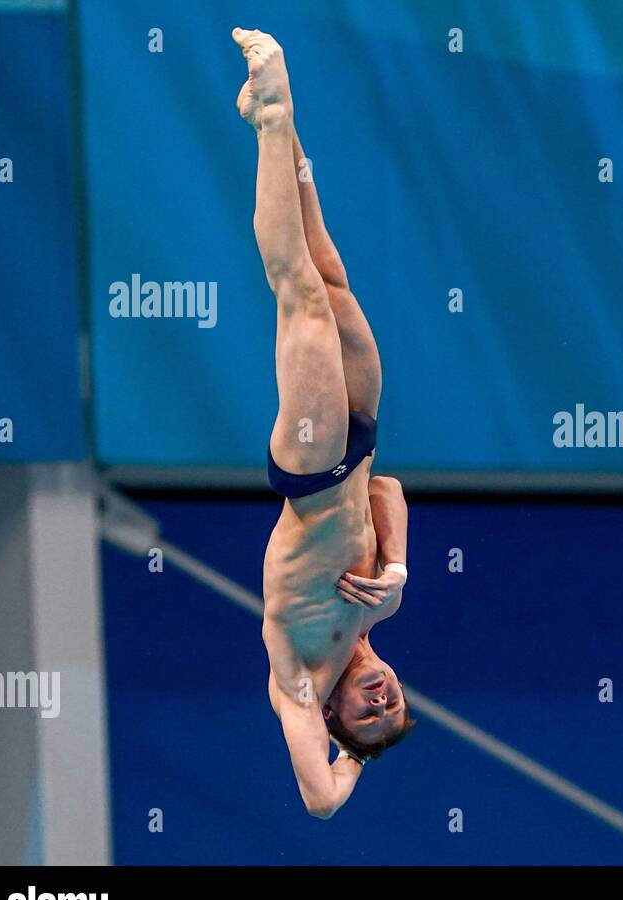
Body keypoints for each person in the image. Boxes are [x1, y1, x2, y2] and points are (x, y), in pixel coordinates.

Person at [234, 27, 414, 818]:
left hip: (310, 473)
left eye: (372, 716)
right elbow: (394, 490)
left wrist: (350, 762)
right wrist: (399, 564)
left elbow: (322, 803)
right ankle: (277, 126)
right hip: (363, 442)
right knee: (329, 272)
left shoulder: (300, 681)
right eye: (397, 702)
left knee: (296, 292)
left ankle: (275, 110)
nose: (381, 696)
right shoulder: (381, 604)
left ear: (338, 723)